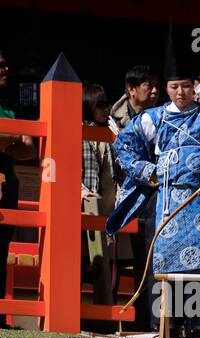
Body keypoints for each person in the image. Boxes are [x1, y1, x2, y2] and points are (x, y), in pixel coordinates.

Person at [106, 25, 200, 338]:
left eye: (185, 86)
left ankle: (198, 323)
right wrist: (149, 172)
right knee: (166, 261)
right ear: (166, 88)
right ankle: (167, 322)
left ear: (195, 86)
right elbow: (123, 146)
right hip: (167, 199)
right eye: (174, 87)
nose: (180, 93)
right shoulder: (152, 119)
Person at [108, 64, 158, 330]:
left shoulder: (162, 117)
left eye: (154, 85)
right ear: (131, 89)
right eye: (147, 85)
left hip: (155, 194)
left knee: (149, 258)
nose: (154, 91)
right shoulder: (113, 121)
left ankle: (147, 319)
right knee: (117, 261)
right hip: (125, 194)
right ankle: (114, 318)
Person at [0, 48, 36, 330]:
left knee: (2, 249)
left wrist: (6, 142)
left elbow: (29, 147)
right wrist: (11, 142)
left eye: (5, 65)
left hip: (7, 184)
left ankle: (1, 315)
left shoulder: (11, 103)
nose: (5, 70)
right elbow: (16, 143)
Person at [81, 84, 115, 307]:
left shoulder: (110, 132)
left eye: (107, 105)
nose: (106, 110)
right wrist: (82, 191)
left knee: (104, 263)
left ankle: (104, 316)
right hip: (82, 203)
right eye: (100, 105)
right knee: (83, 260)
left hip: (106, 206)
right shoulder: (79, 130)